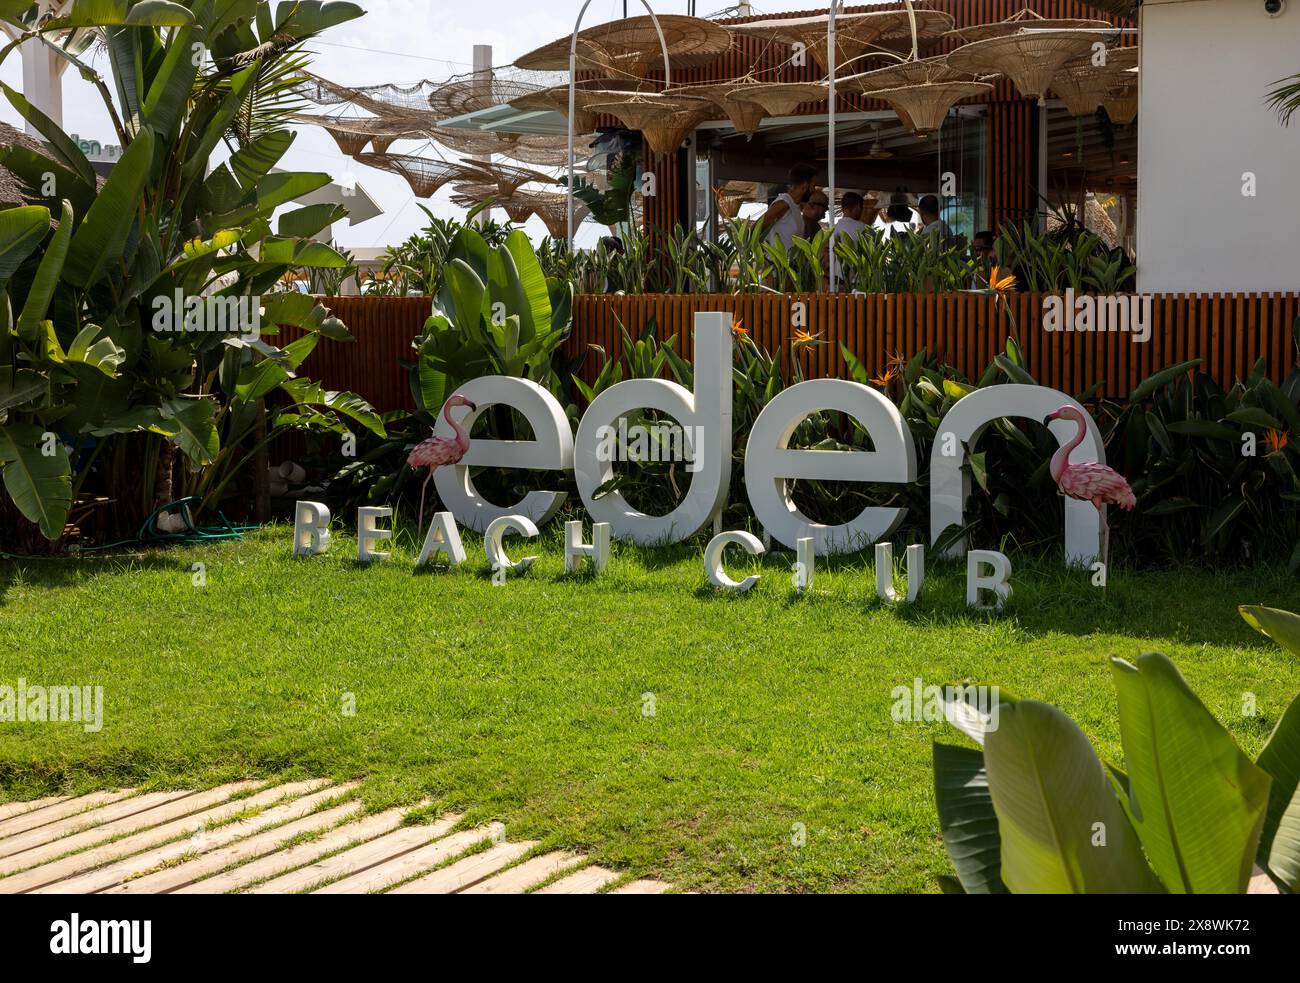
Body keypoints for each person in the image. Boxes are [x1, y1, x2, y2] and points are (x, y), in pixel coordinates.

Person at [761, 163, 817, 250]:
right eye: (813, 186)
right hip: (776, 262)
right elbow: (756, 228)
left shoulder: (795, 207)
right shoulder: (784, 203)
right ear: (805, 186)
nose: (814, 190)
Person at [825, 191, 869, 289]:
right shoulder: (862, 228)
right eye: (862, 209)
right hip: (856, 279)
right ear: (858, 207)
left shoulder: (833, 229)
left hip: (835, 279)